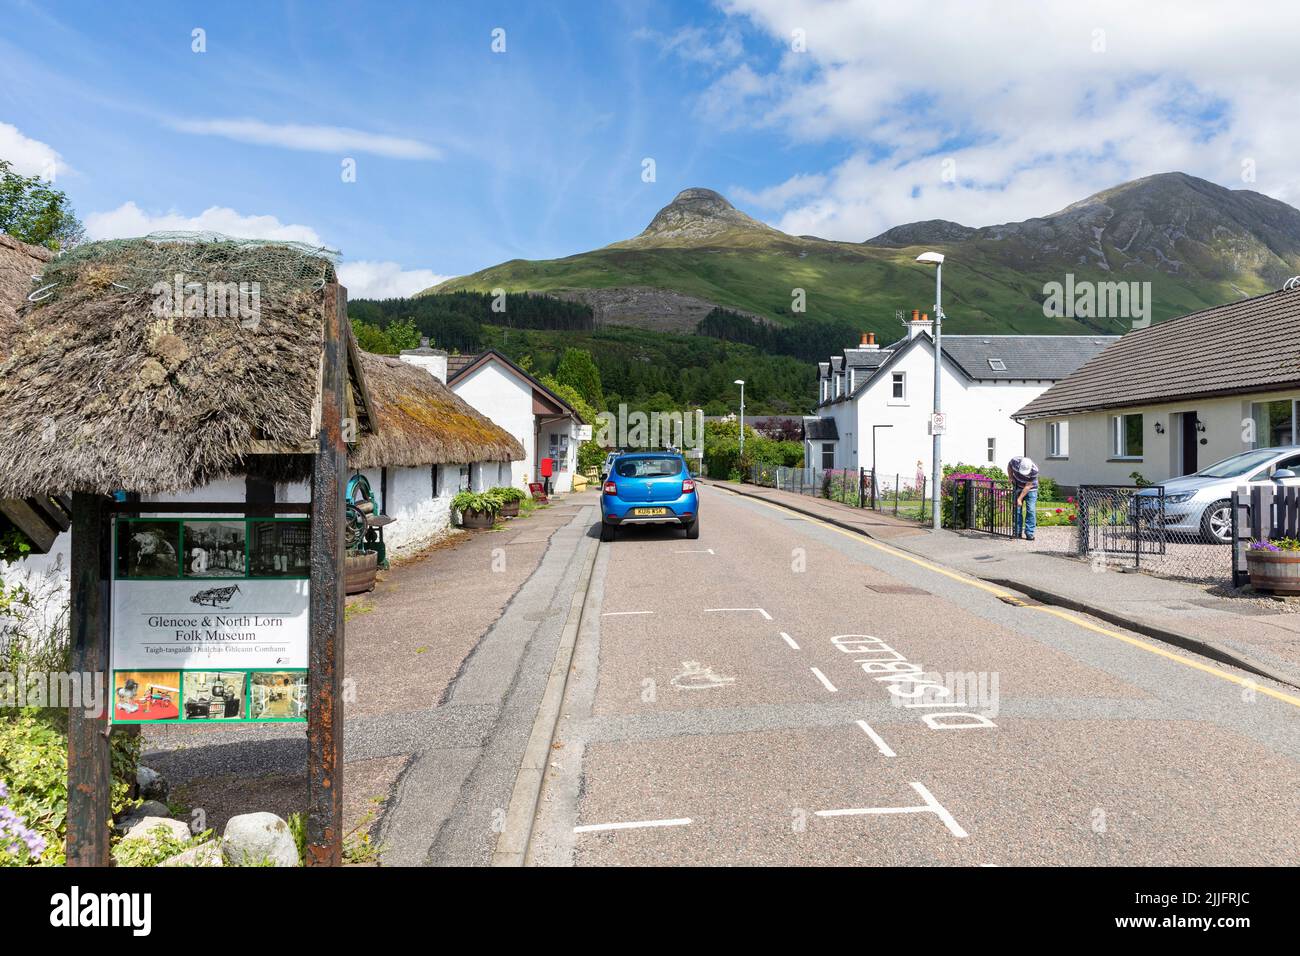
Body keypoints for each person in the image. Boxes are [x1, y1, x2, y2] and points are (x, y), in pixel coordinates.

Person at [1008, 455, 1039, 540]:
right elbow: (1009, 466)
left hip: (1031, 490)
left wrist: (1019, 499)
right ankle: (1017, 533)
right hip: (1018, 486)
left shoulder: (1034, 470)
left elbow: (1028, 486)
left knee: (1031, 510)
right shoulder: (1015, 461)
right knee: (1017, 511)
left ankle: (1029, 533)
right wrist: (1010, 476)